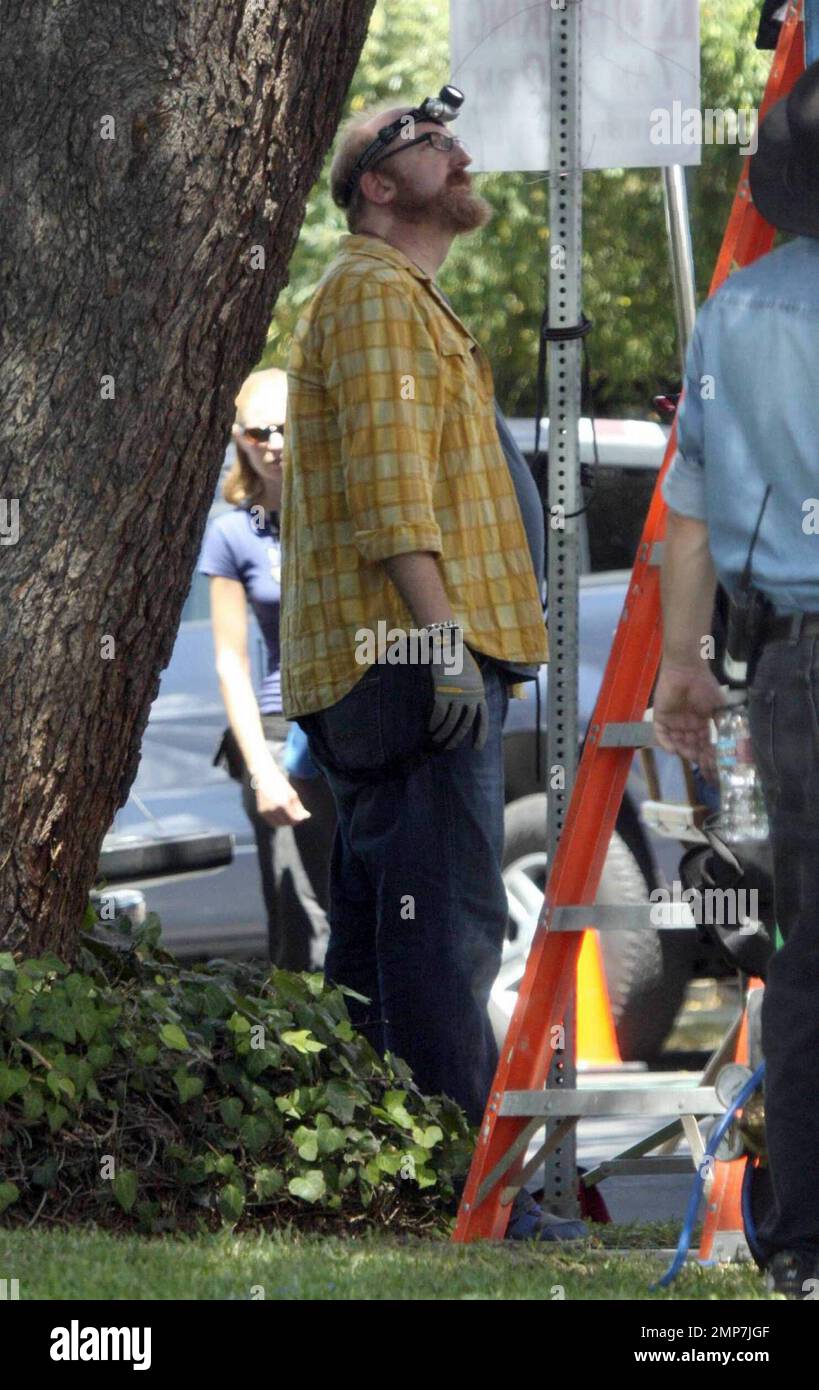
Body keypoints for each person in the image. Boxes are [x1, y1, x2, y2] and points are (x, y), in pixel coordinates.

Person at [281, 97, 584, 1241]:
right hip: (414, 668)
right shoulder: (368, 292)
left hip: (409, 664)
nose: (460, 150)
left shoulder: (401, 297)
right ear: (376, 185)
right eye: (427, 140)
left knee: (381, 948)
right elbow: (393, 489)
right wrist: (443, 645)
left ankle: (384, 1191)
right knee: (444, 941)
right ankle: (474, 1212)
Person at [653, 60, 819, 1296]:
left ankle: (805, 1237)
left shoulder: (733, 317)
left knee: (807, 954)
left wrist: (680, 671)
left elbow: (692, 513)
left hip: (789, 671)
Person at [199, 368, 333, 971]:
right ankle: (309, 1061)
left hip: (352, 721)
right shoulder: (234, 534)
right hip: (282, 732)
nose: (275, 443)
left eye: (288, 427)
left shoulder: (339, 514)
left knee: (364, 908)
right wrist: (261, 771)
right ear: (239, 439)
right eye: (260, 432)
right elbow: (232, 661)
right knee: (301, 926)